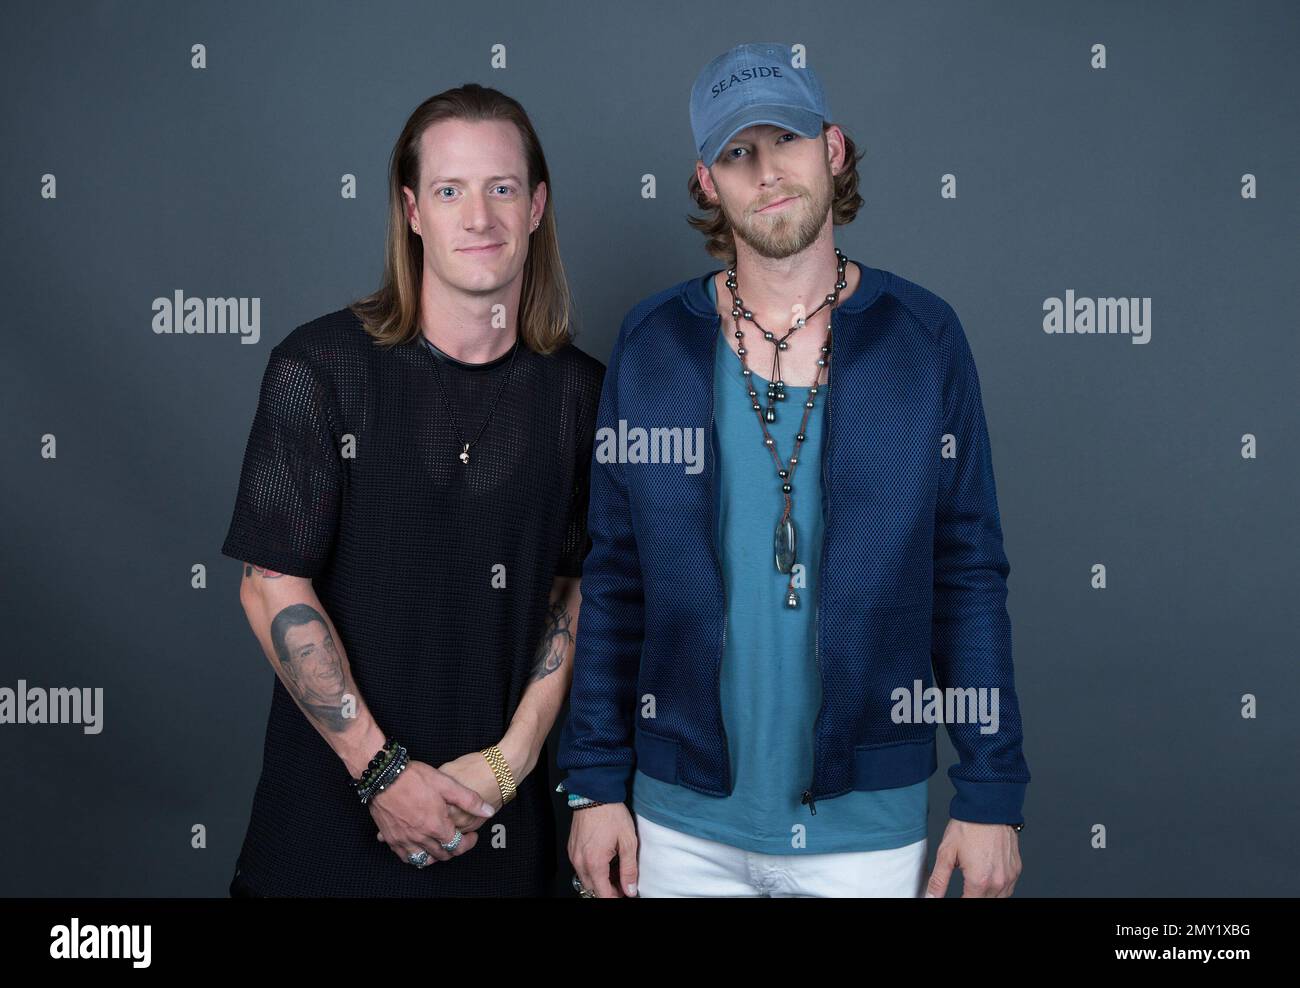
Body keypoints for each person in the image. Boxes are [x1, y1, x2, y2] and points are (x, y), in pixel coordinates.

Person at [558, 42, 1029, 898]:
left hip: (865, 820)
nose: (767, 171)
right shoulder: (653, 343)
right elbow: (616, 575)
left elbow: (967, 573)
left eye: (788, 141)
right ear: (707, 182)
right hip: (681, 819)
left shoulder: (922, 340)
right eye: (737, 152)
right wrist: (593, 782)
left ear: (834, 149)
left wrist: (991, 790)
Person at [221, 83, 603, 896]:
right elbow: (270, 587)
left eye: (502, 188)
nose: (479, 217)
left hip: (497, 831)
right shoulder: (319, 370)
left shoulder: (581, 396)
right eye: (450, 190)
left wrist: (512, 760)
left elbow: (576, 589)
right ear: (413, 210)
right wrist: (382, 775)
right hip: (326, 830)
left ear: (536, 207)